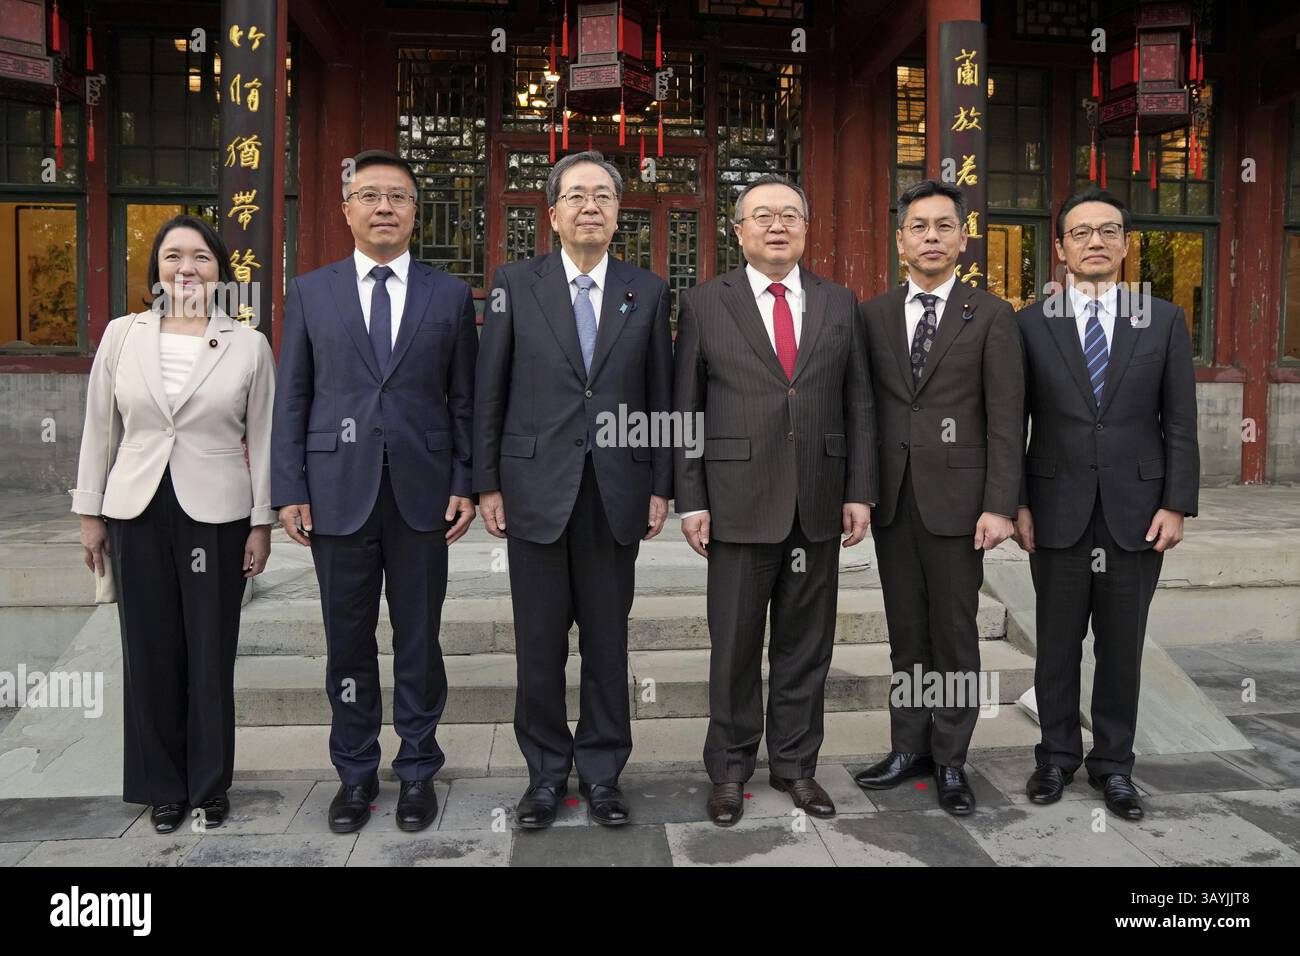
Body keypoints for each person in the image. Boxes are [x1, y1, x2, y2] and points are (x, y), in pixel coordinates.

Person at [271, 148, 478, 834]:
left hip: (422, 495)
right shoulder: (309, 291)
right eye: (369, 195)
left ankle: (418, 767)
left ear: (416, 212)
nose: (383, 207)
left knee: (419, 638)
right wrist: (289, 488)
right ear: (346, 209)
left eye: (397, 197)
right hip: (336, 494)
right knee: (348, 642)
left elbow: (463, 400)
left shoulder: (448, 295)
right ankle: (355, 774)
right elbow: (293, 397)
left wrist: (464, 483)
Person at [474, 151, 673, 829]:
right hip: (534, 490)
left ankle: (602, 772)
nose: (591, 206)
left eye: (604, 196)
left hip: (617, 491)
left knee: (608, 645)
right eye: (577, 195)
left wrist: (661, 484)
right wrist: (487, 482)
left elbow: (659, 393)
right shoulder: (513, 284)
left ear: (619, 214)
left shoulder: (645, 291)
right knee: (538, 646)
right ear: (553, 213)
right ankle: (543, 776)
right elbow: (489, 391)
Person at [673, 174, 877, 827]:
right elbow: (686, 410)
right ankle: (729, 770)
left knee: (805, 646)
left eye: (791, 214)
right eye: (763, 215)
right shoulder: (706, 303)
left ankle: (795, 766)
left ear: (806, 229)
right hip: (735, 503)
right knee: (733, 645)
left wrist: (860, 492)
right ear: (739, 230)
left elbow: (860, 403)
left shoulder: (839, 302)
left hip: (817, 501)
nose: (777, 225)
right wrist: (690, 498)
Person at [72, 215, 275, 833]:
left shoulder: (248, 344)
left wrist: (262, 523)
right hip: (135, 509)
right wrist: (89, 512)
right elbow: (99, 428)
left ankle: (210, 784)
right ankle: (162, 785)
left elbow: (264, 439)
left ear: (221, 270)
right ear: (157, 269)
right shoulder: (121, 336)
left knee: (211, 652)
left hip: (216, 512)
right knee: (149, 650)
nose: (186, 268)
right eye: (173, 257)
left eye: (201, 258)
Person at [1013, 187, 1198, 821]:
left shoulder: (1163, 318)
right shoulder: (1032, 322)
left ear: (1125, 245)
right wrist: (1016, 502)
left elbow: (1180, 422)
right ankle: (1055, 756)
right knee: (1058, 645)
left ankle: (1115, 765)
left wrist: (1177, 504)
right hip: (1055, 505)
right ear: (1060, 248)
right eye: (1081, 232)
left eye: (1108, 231)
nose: (1096, 241)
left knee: (1123, 646)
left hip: (1136, 510)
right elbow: (1013, 421)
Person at [855, 179, 1024, 816]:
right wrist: (862, 493)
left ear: (962, 238)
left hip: (962, 507)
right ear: (901, 239)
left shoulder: (992, 315)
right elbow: (864, 409)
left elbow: (1008, 418)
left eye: (943, 226)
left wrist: (1000, 505)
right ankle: (909, 747)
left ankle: (951, 758)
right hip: (896, 504)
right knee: (907, 636)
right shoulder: (870, 315)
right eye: (918, 226)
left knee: (954, 635)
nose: (931, 236)